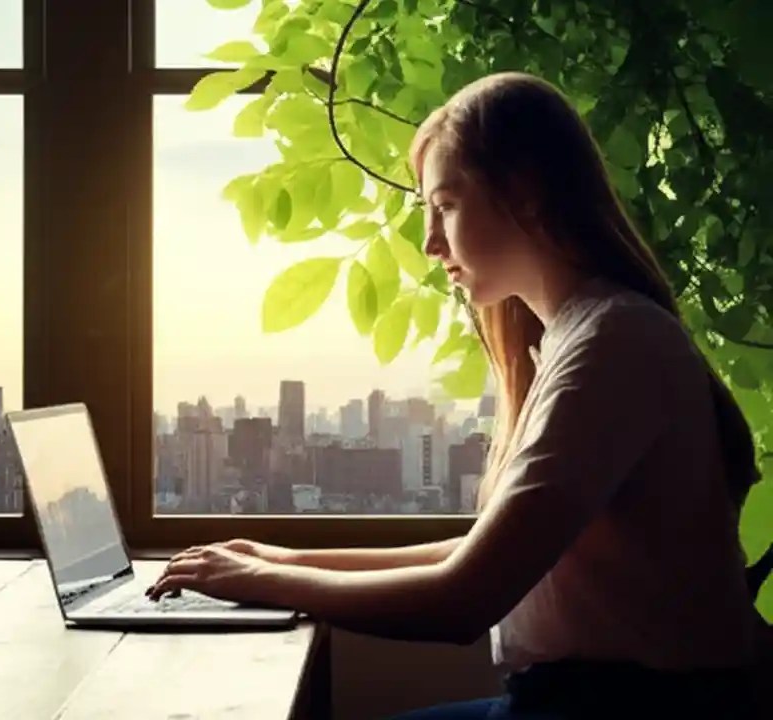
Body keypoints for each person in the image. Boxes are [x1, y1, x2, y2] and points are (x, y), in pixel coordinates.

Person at [148, 72, 766, 718]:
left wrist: (263, 580)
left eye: (444, 205)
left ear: (525, 193)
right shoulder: (576, 338)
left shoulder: (614, 343)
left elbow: (462, 599)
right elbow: (482, 556)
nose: (429, 242)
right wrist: (282, 558)